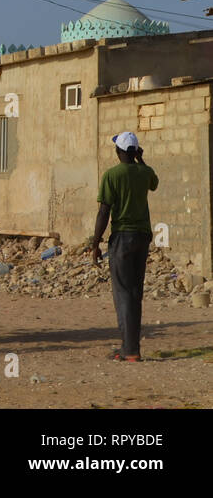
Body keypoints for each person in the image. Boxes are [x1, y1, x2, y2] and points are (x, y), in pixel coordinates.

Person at [91, 131, 158, 362]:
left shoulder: (112, 175)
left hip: (122, 237)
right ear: (135, 152)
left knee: (123, 294)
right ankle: (131, 347)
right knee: (135, 293)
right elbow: (154, 184)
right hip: (143, 237)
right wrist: (141, 160)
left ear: (118, 152)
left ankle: (129, 350)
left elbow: (104, 211)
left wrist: (95, 243)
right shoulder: (145, 172)